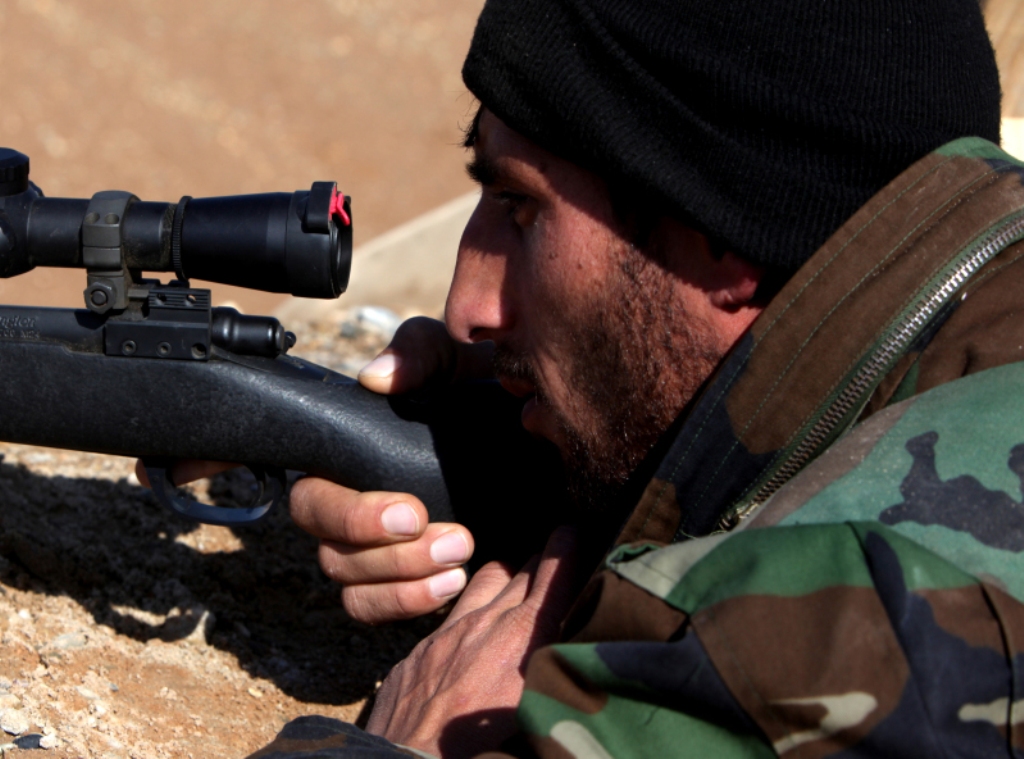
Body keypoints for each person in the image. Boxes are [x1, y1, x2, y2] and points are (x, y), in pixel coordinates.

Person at [239, 0, 1024, 756]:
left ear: (724, 234)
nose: (465, 311)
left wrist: (405, 737)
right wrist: (583, 453)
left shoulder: (844, 620)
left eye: (520, 208)